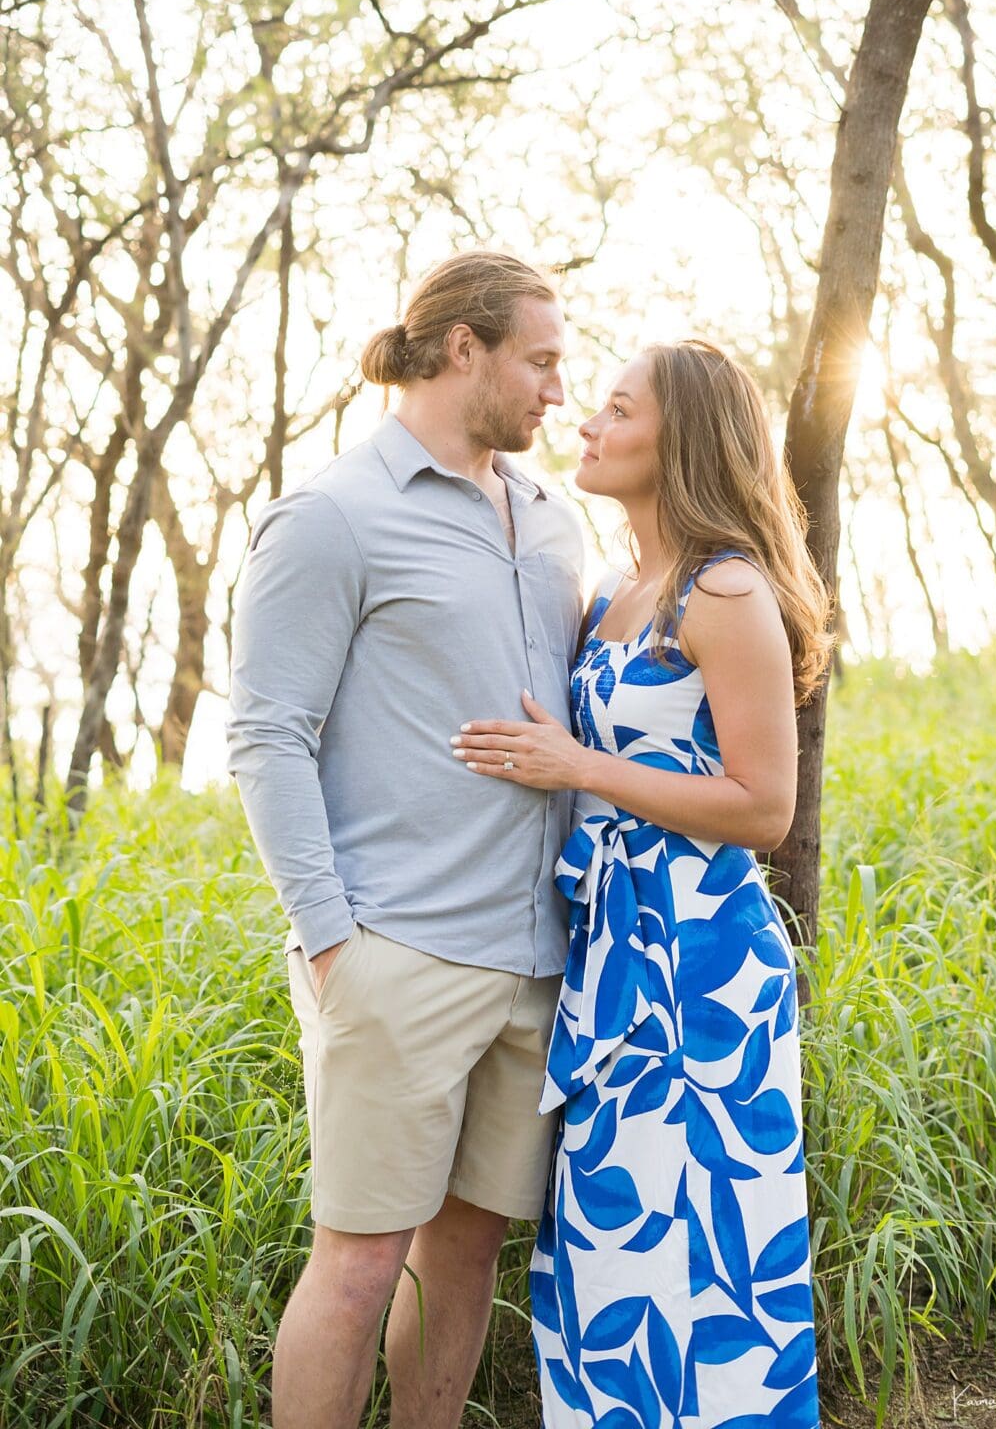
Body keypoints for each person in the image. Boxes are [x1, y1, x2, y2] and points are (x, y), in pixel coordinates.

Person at [224, 250, 585, 1429]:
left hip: (535, 958)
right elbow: (268, 734)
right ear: (460, 347)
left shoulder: (550, 519)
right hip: (398, 954)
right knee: (360, 1260)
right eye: (538, 360)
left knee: (467, 1248)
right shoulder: (332, 515)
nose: (555, 390)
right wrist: (332, 940)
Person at [452, 339, 833, 1429]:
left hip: (700, 967)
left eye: (617, 410)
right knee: (609, 1250)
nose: (588, 421)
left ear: (682, 441)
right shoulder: (617, 592)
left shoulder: (724, 587)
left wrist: (580, 766)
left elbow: (762, 808)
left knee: (704, 1257)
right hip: (611, 953)